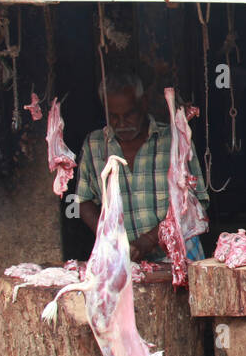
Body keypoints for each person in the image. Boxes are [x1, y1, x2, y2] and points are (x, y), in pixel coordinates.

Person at [75, 70, 210, 261]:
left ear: (143, 103)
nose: (121, 123)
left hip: (179, 257)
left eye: (129, 114)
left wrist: (149, 240)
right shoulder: (94, 145)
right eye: (113, 116)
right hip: (123, 261)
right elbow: (83, 200)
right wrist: (111, 239)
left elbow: (195, 203)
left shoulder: (174, 139)